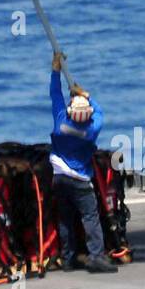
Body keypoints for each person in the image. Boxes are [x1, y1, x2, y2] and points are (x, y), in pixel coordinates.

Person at [49, 52, 116, 274]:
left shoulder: (60, 121)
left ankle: (68, 257)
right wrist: (87, 95)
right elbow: (100, 113)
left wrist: (55, 71)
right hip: (80, 179)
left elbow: (55, 94)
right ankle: (96, 256)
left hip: (58, 176)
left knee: (66, 218)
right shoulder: (91, 130)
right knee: (90, 217)